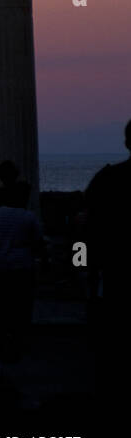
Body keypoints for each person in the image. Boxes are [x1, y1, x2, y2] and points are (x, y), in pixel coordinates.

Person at [0, 179, 46, 366]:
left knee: (4, 304)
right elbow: (38, 242)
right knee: (23, 306)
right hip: (23, 267)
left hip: (1, 265)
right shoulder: (28, 217)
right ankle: (19, 340)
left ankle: (2, 338)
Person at [80, 119, 129, 367]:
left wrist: (84, 264)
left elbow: (87, 224)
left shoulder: (108, 178)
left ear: (127, 142)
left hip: (115, 268)